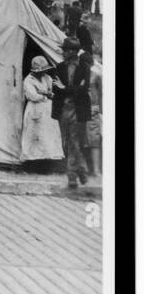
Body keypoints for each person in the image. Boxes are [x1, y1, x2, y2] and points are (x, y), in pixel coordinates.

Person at [53, 37, 91, 188]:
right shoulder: (60, 67)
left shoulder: (84, 67)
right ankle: (81, 170)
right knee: (65, 142)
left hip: (78, 109)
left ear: (73, 51)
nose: (62, 52)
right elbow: (55, 87)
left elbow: (83, 89)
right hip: (62, 109)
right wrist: (65, 89)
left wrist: (64, 89)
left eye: (65, 50)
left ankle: (72, 176)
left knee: (74, 140)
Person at [20, 56, 61, 162]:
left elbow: (52, 91)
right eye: (41, 70)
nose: (42, 72)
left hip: (47, 109)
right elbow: (32, 96)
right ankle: (33, 161)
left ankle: (48, 159)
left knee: (47, 134)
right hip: (34, 109)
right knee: (34, 135)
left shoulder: (47, 78)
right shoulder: (28, 80)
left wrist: (46, 94)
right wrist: (45, 96)